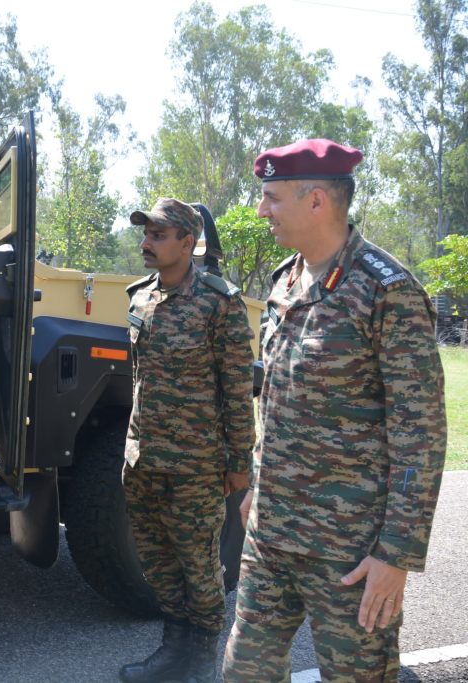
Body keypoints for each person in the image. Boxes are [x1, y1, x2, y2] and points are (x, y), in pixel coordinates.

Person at [222, 139, 447, 682]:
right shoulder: (283, 281)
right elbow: (278, 401)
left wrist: (396, 556)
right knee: (243, 673)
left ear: (316, 201)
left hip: (349, 552)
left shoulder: (385, 291)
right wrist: (258, 483)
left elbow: (420, 433)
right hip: (271, 537)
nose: (261, 210)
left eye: (272, 198)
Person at [119, 198, 256, 683]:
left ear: (187, 242)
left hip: (196, 465)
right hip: (142, 460)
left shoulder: (219, 302)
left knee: (199, 568)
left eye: (158, 234)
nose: (147, 242)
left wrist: (240, 464)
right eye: (146, 233)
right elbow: (140, 379)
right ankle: (171, 652)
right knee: (158, 563)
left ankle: (199, 663)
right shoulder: (139, 297)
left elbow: (238, 389)